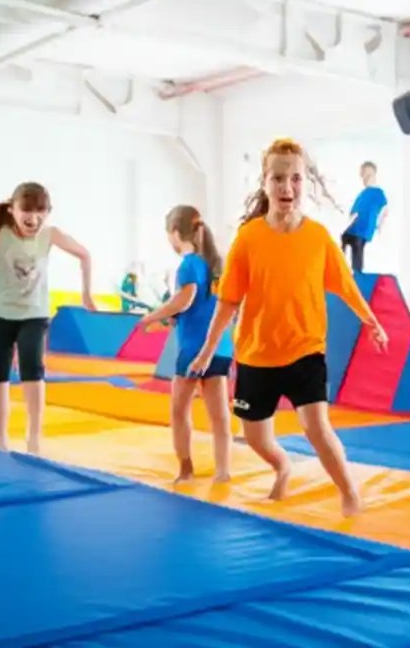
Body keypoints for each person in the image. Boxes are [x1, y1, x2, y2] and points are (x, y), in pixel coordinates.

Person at [190, 137, 388, 517]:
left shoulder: (318, 237)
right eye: (278, 178)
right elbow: (229, 300)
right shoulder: (249, 238)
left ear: (304, 183)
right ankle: (282, 465)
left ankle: (349, 494)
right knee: (255, 436)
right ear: (265, 183)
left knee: (316, 427)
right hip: (257, 355)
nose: (287, 187)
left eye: (295, 178)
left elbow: (346, 285)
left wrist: (371, 321)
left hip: (305, 349)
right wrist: (206, 352)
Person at [0, 182, 95, 455]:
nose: (34, 219)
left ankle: (33, 439)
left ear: (48, 212)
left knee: (33, 371)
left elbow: (84, 255)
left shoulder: (50, 234)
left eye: (41, 212)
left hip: (33, 313)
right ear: (12, 210)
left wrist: (86, 294)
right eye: (26, 211)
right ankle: (0, 438)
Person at [138, 206, 233, 483]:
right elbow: (198, 308)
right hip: (219, 348)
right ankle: (223, 471)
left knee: (179, 411)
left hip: (193, 350)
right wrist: (166, 320)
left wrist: (151, 316)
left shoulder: (189, 264)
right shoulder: (214, 265)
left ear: (175, 233)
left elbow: (185, 300)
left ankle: (186, 469)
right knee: (219, 415)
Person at [341, 161, 389, 273]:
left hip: (364, 228)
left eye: (368, 175)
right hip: (355, 227)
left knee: (357, 247)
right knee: (345, 238)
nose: (365, 179)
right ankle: (342, 265)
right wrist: (348, 222)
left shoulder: (378, 192)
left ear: (374, 175)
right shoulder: (362, 194)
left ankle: (358, 271)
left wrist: (380, 225)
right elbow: (354, 212)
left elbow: (385, 209)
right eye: (363, 176)